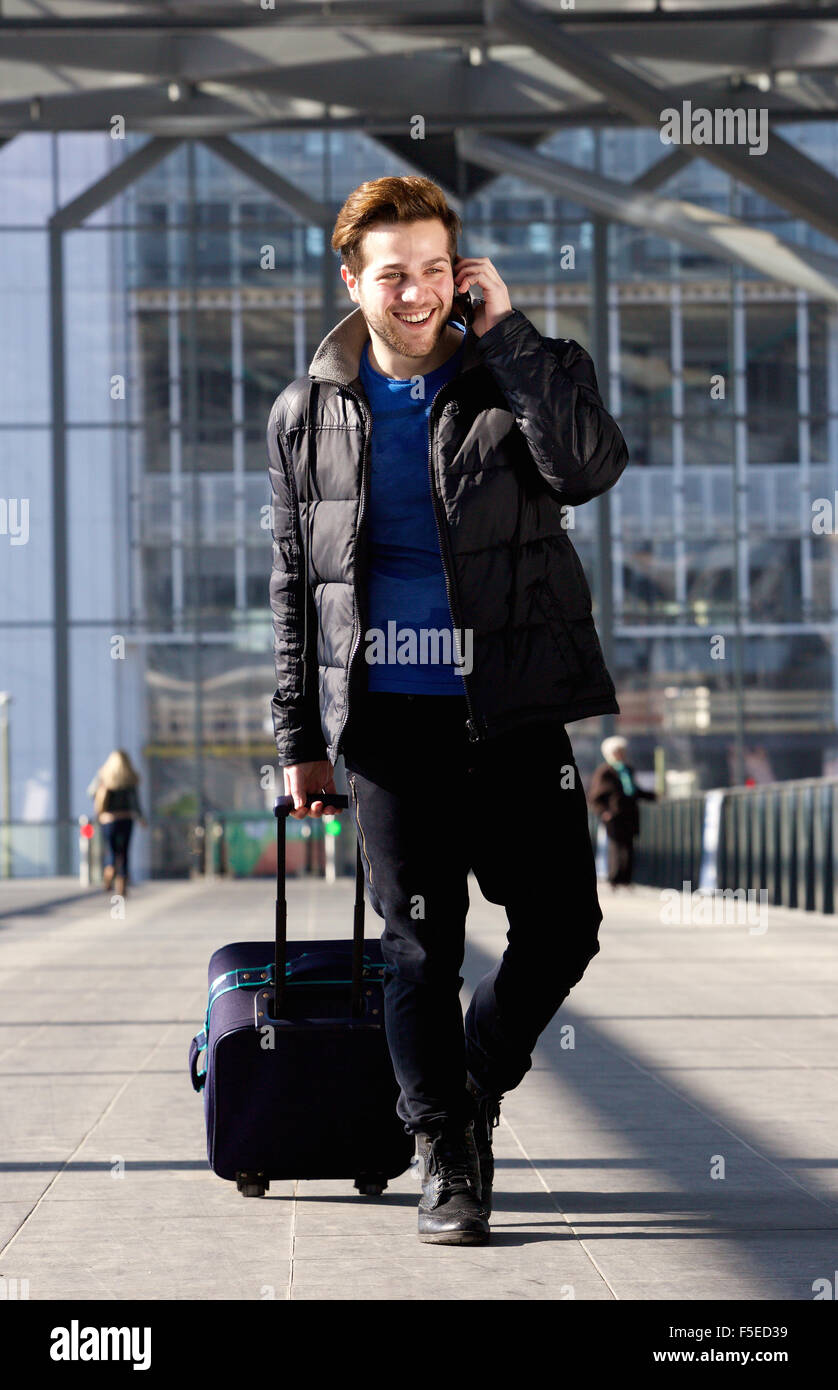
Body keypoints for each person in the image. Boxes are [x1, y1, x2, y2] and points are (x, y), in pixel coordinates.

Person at [267, 175, 629, 1245]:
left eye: (436, 267)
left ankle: (468, 1082)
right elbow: (295, 582)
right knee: (419, 948)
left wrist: (507, 329)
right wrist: (297, 738)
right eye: (394, 274)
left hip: (514, 705)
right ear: (351, 281)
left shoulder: (523, 368)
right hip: (390, 721)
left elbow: (589, 465)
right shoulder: (308, 412)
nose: (418, 291)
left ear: (459, 269)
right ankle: (444, 1156)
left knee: (563, 925)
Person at [588, 736, 656, 891]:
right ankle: (615, 879)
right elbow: (595, 796)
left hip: (630, 814)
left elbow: (634, 791)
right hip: (614, 816)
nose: (622, 754)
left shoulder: (628, 770)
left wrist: (653, 796)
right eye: (619, 751)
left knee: (628, 846)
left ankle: (626, 879)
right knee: (616, 847)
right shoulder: (605, 772)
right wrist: (605, 812)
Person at [88, 750, 147, 897]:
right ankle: (122, 883)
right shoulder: (130, 777)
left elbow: (91, 793)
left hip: (108, 819)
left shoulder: (103, 774)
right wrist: (141, 817)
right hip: (126, 818)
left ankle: (109, 870)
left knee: (112, 849)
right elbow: (135, 802)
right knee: (125, 851)